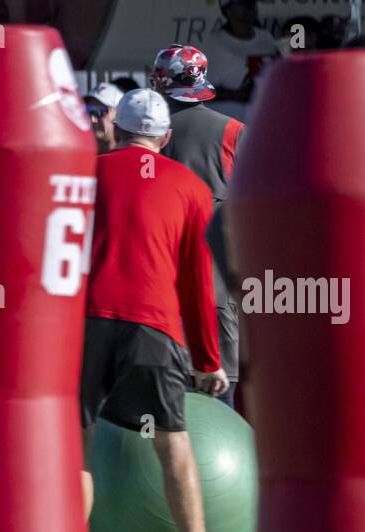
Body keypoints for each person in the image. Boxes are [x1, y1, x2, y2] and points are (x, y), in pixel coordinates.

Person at [80, 89, 228, 532]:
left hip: (85, 324)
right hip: (154, 327)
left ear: (115, 130)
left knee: (78, 452)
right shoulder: (191, 188)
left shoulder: (84, 177)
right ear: (165, 138)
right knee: (173, 445)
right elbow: (197, 284)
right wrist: (209, 360)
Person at [151, 45, 244, 408]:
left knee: (161, 410)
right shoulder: (234, 131)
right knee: (220, 406)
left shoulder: (145, 133)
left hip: (156, 298)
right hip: (217, 295)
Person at [197, 0, 277, 121]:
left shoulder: (267, 39)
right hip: (224, 124)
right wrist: (235, 95)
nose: (248, 9)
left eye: (252, 4)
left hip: (258, 125)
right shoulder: (213, 43)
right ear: (228, 10)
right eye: (241, 4)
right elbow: (198, 90)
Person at [85, 82, 123, 154]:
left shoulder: (129, 158)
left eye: (99, 111)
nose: (92, 119)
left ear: (119, 115)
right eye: (88, 110)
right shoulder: (80, 158)